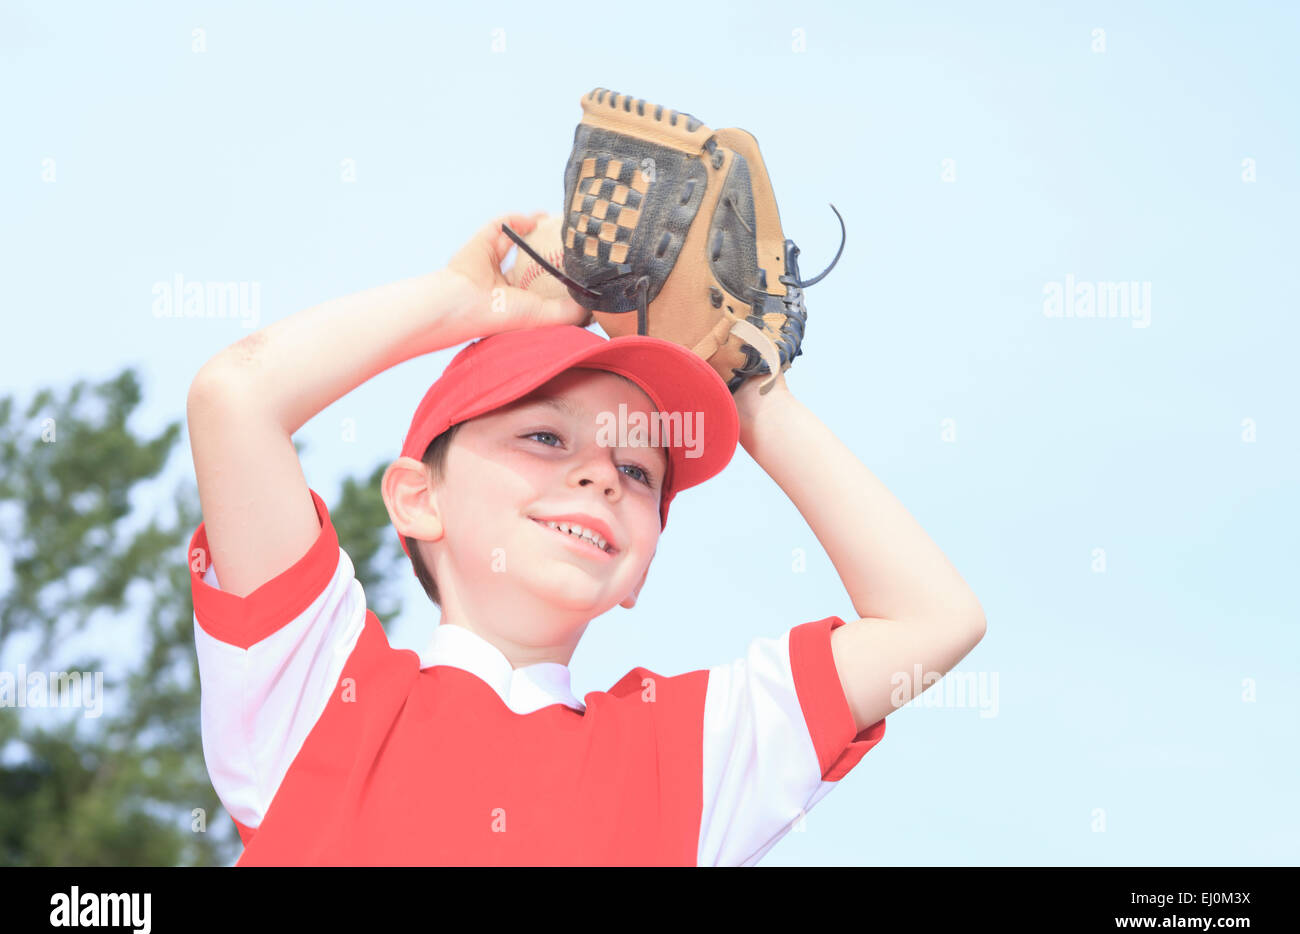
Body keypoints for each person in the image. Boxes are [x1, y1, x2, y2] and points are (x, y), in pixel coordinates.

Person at [185, 211, 987, 865]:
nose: (603, 476)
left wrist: (754, 397)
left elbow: (933, 622)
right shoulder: (324, 698)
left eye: (639, 472)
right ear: (418, 497)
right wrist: (471, 304)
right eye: (544, 438)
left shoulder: (682, 759)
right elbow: (236, 398)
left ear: (640, 569)